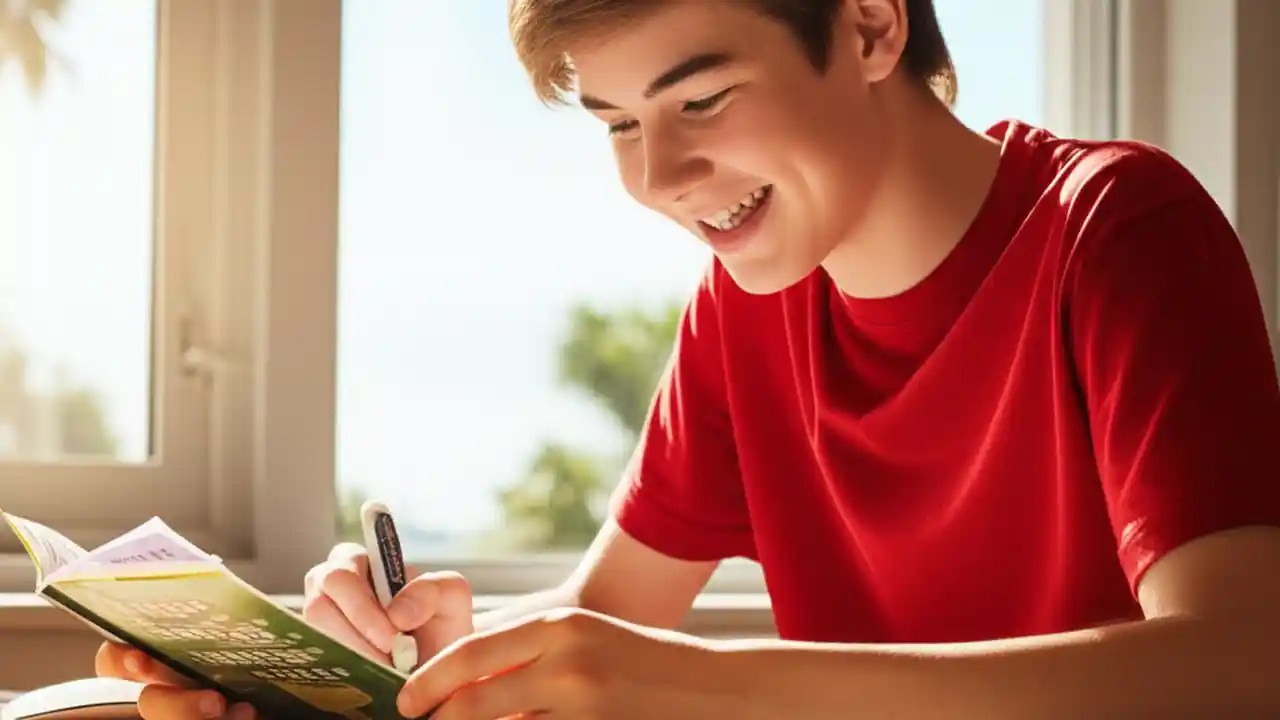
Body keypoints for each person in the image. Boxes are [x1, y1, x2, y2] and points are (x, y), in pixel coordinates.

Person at [98, 0, 1280, 717]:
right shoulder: (747, 305)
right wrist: (435, 656)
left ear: (870, 26)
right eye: (616, 123)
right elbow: (606, 621)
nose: (654, 180)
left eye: (701, 99)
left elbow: (1243, 661)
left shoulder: (1111, 228)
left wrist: (710, 692)